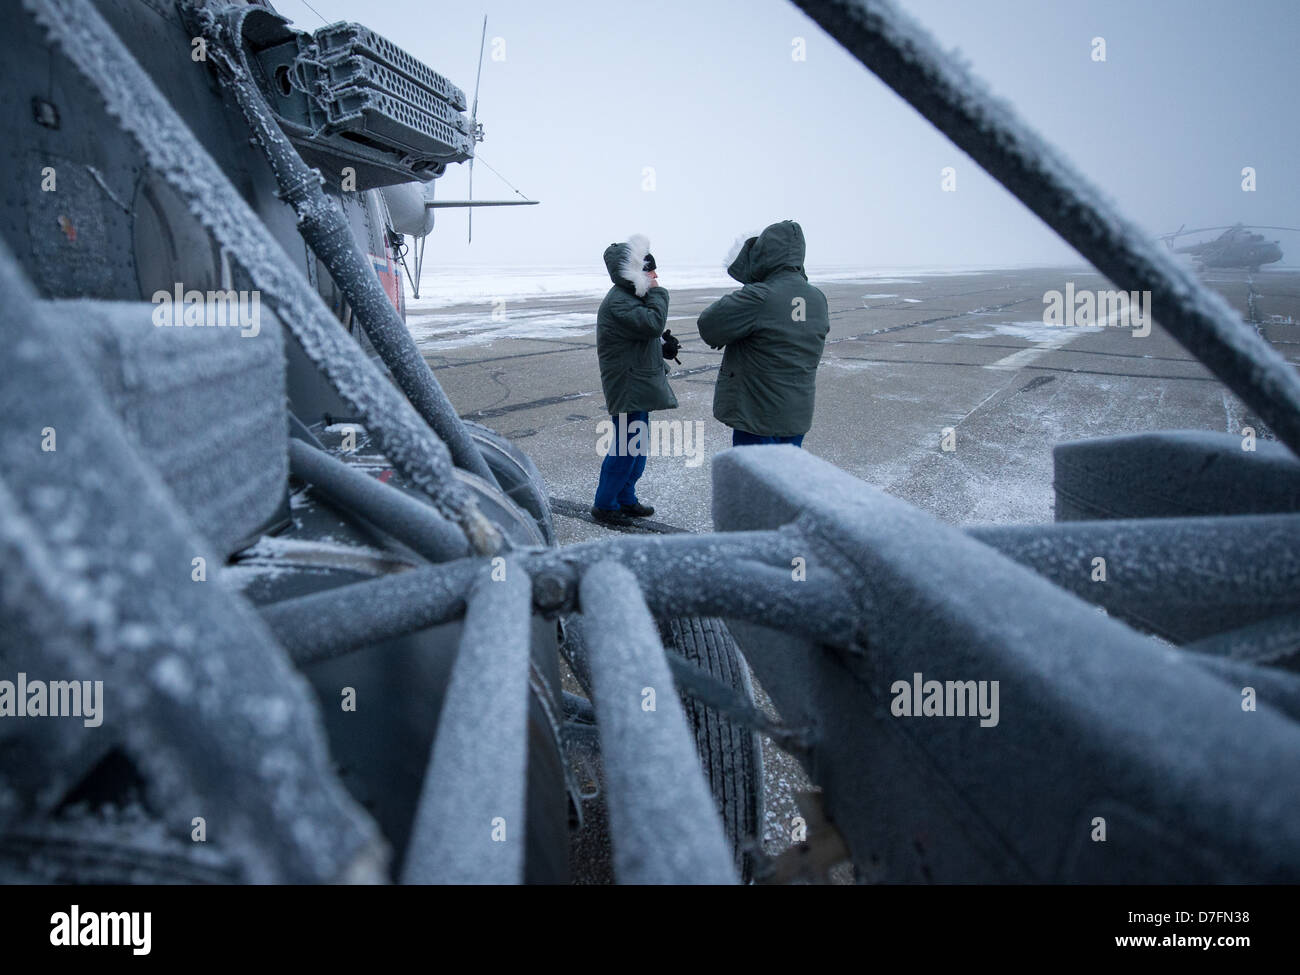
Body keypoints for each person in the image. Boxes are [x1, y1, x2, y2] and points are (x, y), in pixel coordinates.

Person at [697, 220, 829, 447]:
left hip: (757, 415)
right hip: (796, 413)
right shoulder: (817, 298)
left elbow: (709, 326)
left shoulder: (760, 297)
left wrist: (753, 283)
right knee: (782, 479)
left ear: (765, 253)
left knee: (754, 480)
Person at [591, 234, 677, 525]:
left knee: (636, 447)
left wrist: (663, 351)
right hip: (628, 386)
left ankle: (625, 498)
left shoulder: (629, 298)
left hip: (636, 382)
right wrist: (658, 292)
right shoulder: (619, 302)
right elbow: (652, 324)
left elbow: (640, 337)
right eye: (649, 270)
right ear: (634, 273)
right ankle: (604, 504)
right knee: (627, 448)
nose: (654, 275)